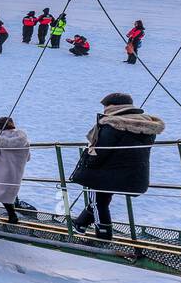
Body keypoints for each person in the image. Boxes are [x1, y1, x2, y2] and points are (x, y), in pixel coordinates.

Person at [70, 93, 165, 239]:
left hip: (108, 174)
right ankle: (80, 224)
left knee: (97, 201)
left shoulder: (112, 124)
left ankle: (104, 236)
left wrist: (87, 164)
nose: (105, 109)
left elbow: (100, 152)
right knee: (100, 199)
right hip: (135, 176)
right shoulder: (147, 126)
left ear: (114, 106)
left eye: (106, 106)